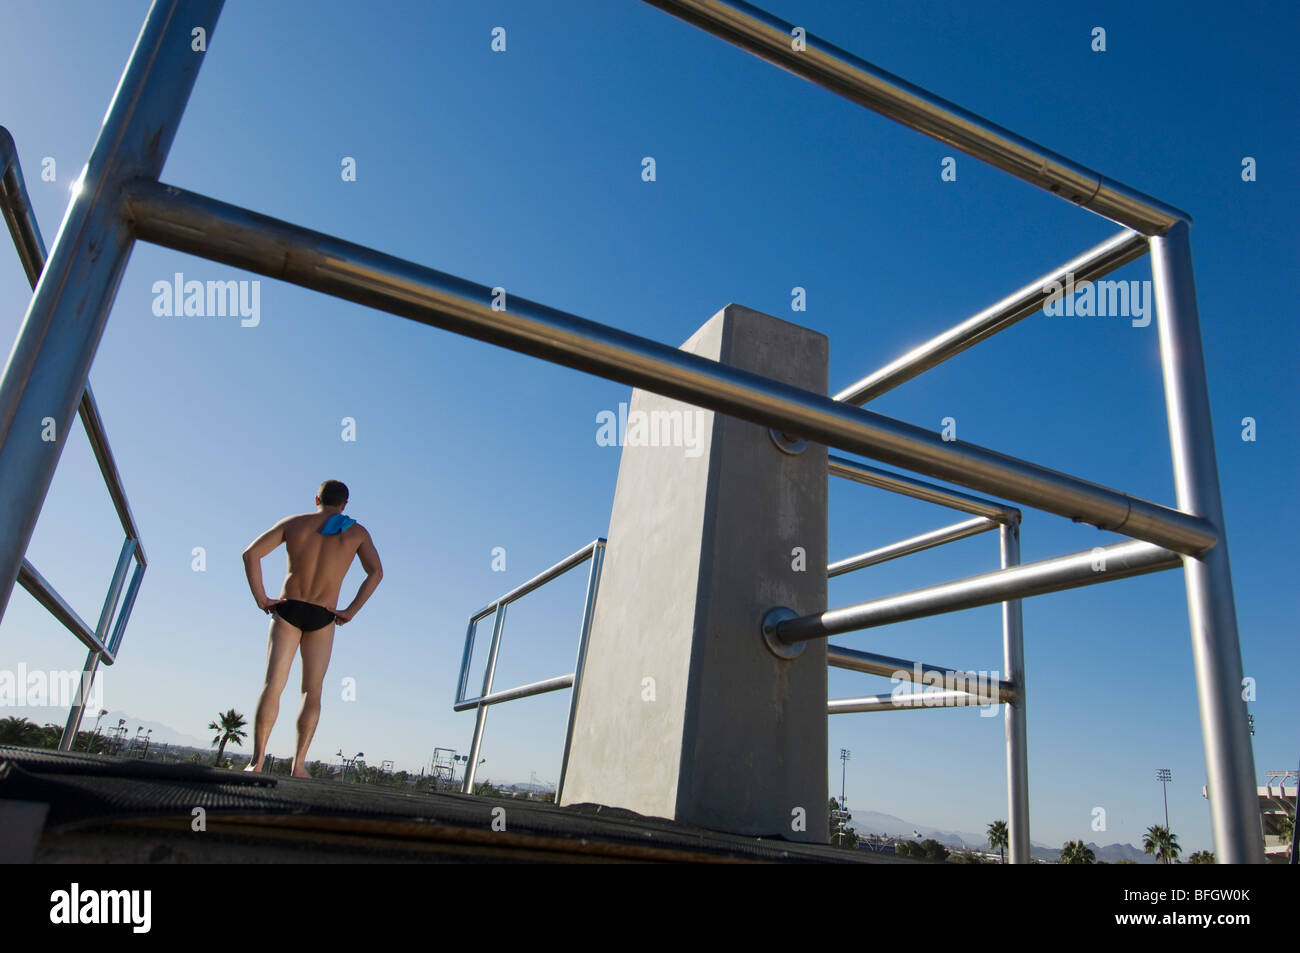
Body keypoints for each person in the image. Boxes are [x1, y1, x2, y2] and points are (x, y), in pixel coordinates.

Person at [240, 479, 382, 777]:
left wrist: (261, 598)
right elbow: (376, 573)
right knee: (312, 690)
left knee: (273, 685)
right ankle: (299, 764)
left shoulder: (295, 523)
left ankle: (257, 761)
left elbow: (250, 554)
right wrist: (350, 611)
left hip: (288, 608)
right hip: (323, 615)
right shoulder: (356, 532)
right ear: (344, 504)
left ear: (316, 498)